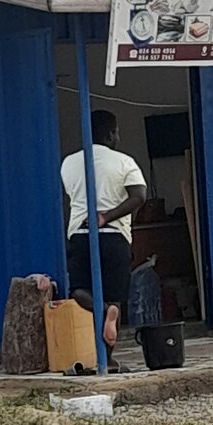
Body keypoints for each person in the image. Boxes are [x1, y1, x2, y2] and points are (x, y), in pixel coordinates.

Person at [60, 110, 147, 370]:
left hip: (80, 235)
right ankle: (107, 358)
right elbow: (139, 196)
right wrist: (106, 216)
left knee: (77, 289)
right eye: (116, 132)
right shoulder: (124, 162)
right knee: (115, 296)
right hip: (114, 237)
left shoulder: (68, 163)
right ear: (110, 134)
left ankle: (103, 309)